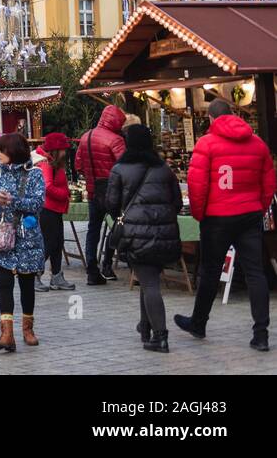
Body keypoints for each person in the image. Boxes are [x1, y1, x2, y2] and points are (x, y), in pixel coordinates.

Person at [175, 113, 276, 351]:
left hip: (217, 216)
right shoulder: (258, 144)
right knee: (255, 273)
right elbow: (269, 182)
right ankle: (261, 333)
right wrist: (259, 207)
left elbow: (196, 184)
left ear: (211, 118)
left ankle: (199, 323)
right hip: (249, 212)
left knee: (210, 271)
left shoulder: (207, 144)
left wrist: (200, 214)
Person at [104, 124, 182, 353]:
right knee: (148, 280)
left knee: (149, 284)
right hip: (164, 233)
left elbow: (111, 204)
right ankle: (145, 326)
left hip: (136, 235)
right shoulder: (164, 169)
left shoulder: (120, 169)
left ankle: (161, 336)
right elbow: (176, 203)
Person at [0, 132, 46, 352]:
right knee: (4, 284)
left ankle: (28, 328)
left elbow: (38, 203)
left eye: (1, 150)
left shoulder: (35, 174)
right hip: (2, 236)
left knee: (27, 285)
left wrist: (13, 200)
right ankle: (6, 333)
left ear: (13, 151)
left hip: (27, 237)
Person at [74, 104, 127, 285]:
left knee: (93, 230)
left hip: (92, 191)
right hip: (113, 193)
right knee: (120, 224)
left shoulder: (85, 137)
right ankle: (107, 263)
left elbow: (78, 166)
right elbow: (125, 167)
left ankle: (91, 268)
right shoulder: (116, 140)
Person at [35, 132, 75, 292]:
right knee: (49, 244)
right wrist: (63, 194)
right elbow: (47, 186)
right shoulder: (46, 164)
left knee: (57, 243)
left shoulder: (52, 162)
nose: (66, 152)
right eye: (63, 149)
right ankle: (34, 275)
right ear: (56, 150)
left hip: (54, 208)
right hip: (48, 209)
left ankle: (57, 276)